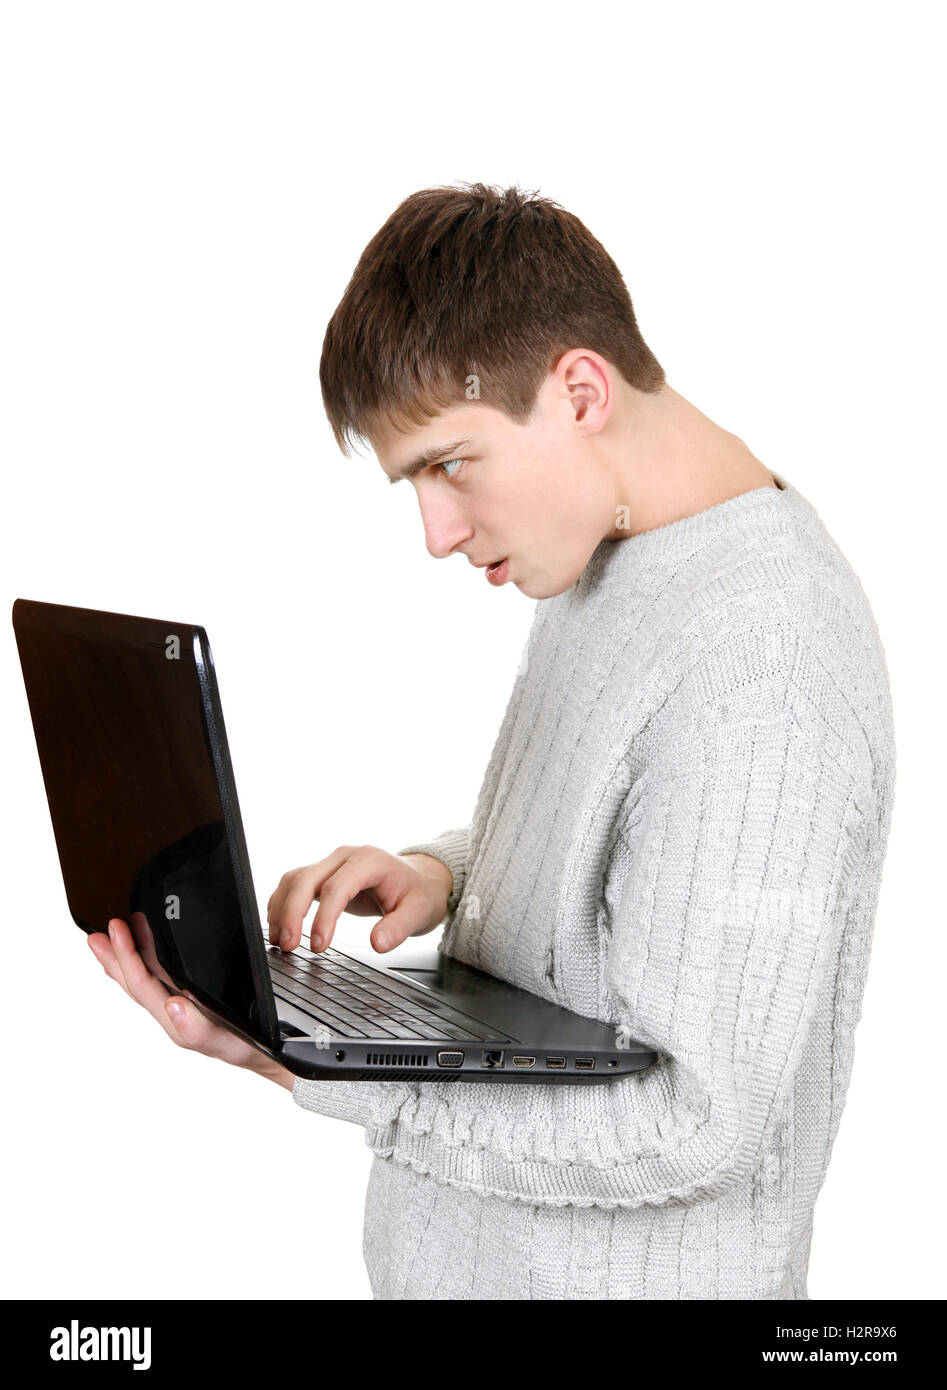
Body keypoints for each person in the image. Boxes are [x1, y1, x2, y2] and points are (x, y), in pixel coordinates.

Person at [92, 182, 897, 1300]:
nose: (435, 532)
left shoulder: (763, 660)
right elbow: (655, 831)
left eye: (449, 462)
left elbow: (695, 1122)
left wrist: (320, 1068)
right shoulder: (617, 548)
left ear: (578, 390)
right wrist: (449, 870)